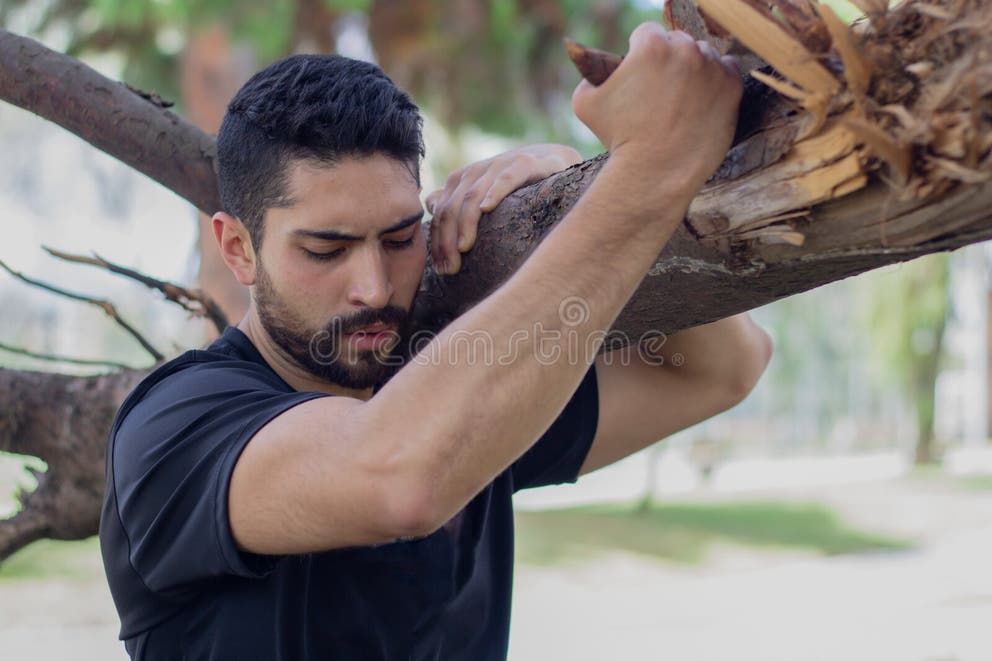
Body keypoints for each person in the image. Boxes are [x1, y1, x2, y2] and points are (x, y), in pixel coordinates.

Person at [100, 22, 772, 661]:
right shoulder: (174, 426)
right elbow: (400, 476)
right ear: (237, 249)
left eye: (397, 238)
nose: (372, 285)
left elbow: (722, 368)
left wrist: (572, 192)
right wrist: (648, 169)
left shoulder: (452, 397)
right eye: (326, 249)